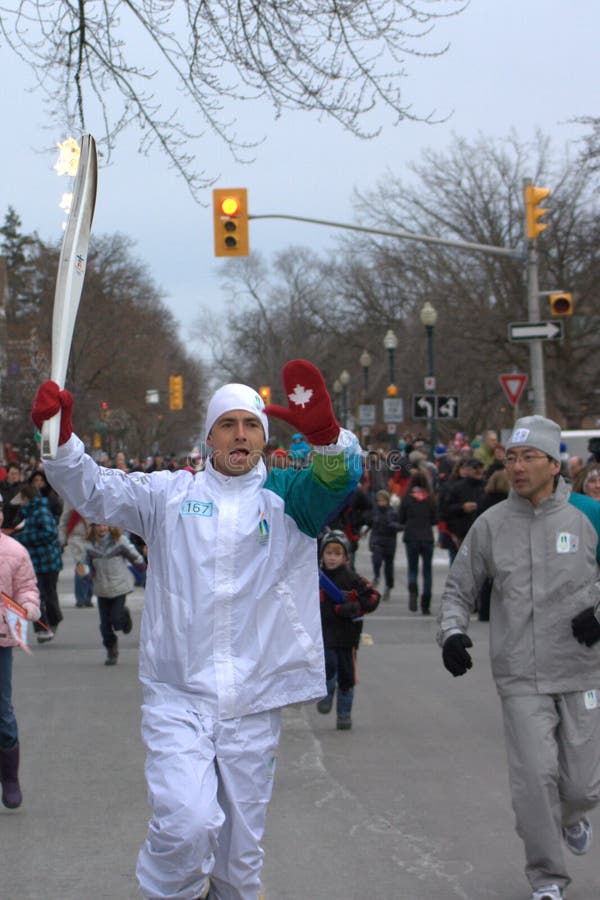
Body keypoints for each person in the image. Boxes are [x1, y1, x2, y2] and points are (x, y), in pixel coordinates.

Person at [32, 358, 363, 900]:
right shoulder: (169, 496)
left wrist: (329, 440)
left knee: (240, 857)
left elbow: (338, 477)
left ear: (263, 437)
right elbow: (94, 491)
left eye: (251, 425)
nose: (240, 434)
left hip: (254, 700)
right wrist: (61, 440)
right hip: (178, 695)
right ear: (209, 437)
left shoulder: (290, 499)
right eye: (227, 424)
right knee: (185, 824)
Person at [438, 415, 600, 900]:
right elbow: (459, 589)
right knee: (535, 781)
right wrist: (451, 633)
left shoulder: (589, 515)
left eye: (529, 457)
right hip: (520, 675)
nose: (518, 466)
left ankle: (572, 818)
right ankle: (548, 878)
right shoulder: (491, 524)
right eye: (511, 457)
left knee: (581, 788)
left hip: (583, 669)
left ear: (554, 464)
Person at [0, 498, 41, 809]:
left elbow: (26, 586)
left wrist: (28, 604)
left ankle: (10, 778)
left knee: (2, 713)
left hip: (1, 640)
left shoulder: (14, 552)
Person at [316, 530, 379, 729]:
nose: (332, 558)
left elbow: (373, 597)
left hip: (347, 637)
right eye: (328, 553)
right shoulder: (315, 578)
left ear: (345, 557)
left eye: (337, 554)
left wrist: (352, 608)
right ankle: (326, 691)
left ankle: (344, 714)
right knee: (328, 665)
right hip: (324, 635)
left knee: (347, 677)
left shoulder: (353, 579)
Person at [78, 523, 145, 666]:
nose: (102, 529)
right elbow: (83, 564)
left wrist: (143, 570)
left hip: (119, 586)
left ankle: (124, 617)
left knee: (116, 620)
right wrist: (84, 573)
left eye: (105, 526)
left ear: (109, 527)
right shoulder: (89, 546)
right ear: (93, 528)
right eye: (98, 526)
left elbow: (135, 556)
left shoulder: (119, 541)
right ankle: (111, 651)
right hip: (101, 588)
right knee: (105, 626)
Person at [11, 483, 63, 643]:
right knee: (36, 595)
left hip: (48, 561)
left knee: (49, 596)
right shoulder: (30, 512)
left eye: (22, 499)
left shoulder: (40, 511)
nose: (20, 502)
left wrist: (23, 538)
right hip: (35, 562)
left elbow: (50, 532)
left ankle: (54, 619)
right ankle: (42, 628)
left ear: (27, 498)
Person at [398, 471, 438, 615]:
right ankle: (425, 604)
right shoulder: (431, 499)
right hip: (427, 536)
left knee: (413, 569)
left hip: (411, 536)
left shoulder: (407, 499)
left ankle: (413, 588)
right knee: (427, 572)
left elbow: (401, 518)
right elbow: (435, 519)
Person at [58, 501, 94, 608]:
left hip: (92, 538)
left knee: (91, 568)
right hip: (76, 538)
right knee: (81, 566)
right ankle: (81, 598)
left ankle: (88, 596)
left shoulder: (93, 496)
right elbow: (64, 519)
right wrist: (62, 538)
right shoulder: (70, 500)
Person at [368, 489, 401, 602]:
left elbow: (401, 525)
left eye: (383, 500)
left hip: (390, 542)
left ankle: (388, 585)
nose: (381, 503)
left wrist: (393, 525)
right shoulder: (375, 512)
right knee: (376, 559)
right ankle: (376, 576)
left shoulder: (393, 512)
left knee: (389, 566)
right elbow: (369, 524)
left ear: (387, 501)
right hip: (377, 540)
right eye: (379, 501)